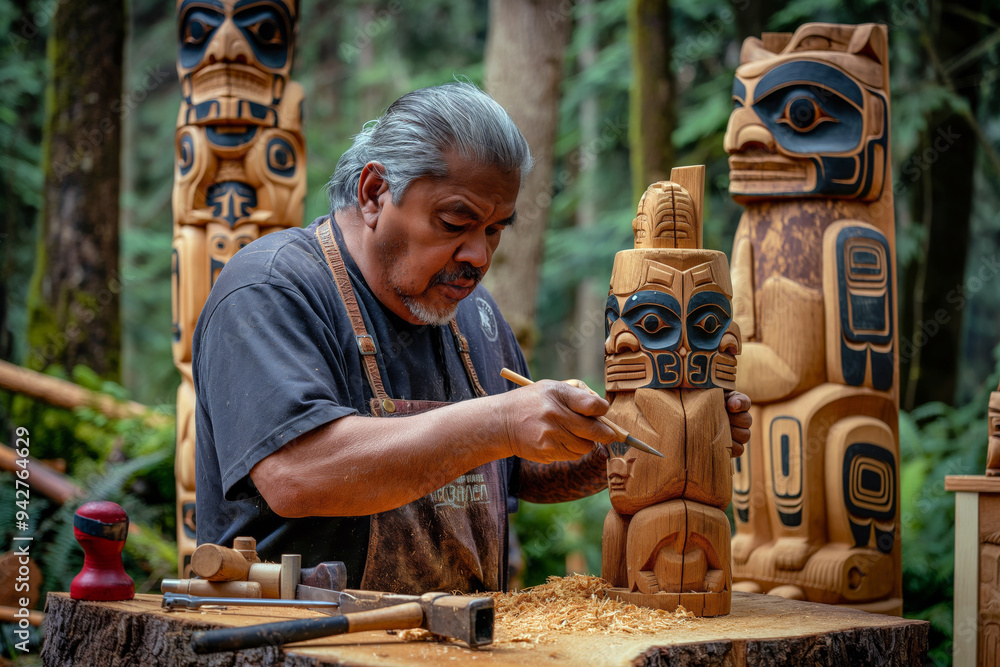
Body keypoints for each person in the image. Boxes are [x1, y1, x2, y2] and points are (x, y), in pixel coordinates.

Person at [193, 82, 752, 594]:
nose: (478, 257)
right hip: (301, 644)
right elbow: (298, 474)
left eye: (494, 229)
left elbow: (519, 469)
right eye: (455, 222)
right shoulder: (272, 288)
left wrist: (636, 441)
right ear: (374, 192)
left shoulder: (472, 311)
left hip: (456, 644)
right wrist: (502, 420)